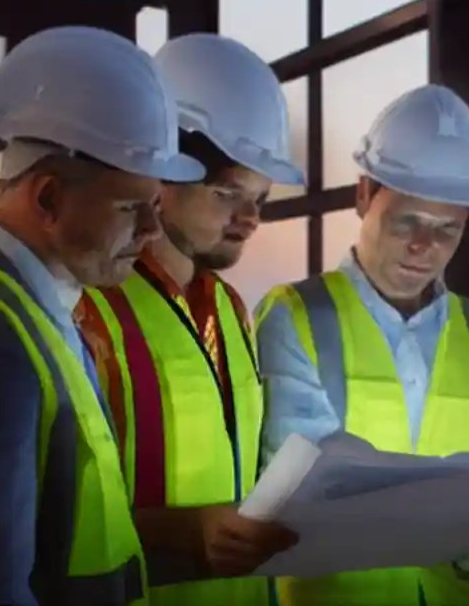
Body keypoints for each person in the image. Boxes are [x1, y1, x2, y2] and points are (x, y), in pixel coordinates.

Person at [0, 26, 206, 605]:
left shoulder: (34, 311)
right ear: (47, 199)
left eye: (154, 206)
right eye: (130, 207)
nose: (151, 229)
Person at [255, 83, 469, 606]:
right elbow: (296, 493)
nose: (424, 246)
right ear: (363, 195)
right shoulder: (295, 316)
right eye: (406, 221)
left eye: (447, 229)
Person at [74, 33, 302, 605]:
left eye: (260, 199)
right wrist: (186, 531)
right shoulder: (88, 307)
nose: (250, 219)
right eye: (227, 194)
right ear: (160, 177)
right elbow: (50, 515)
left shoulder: (229, 308)